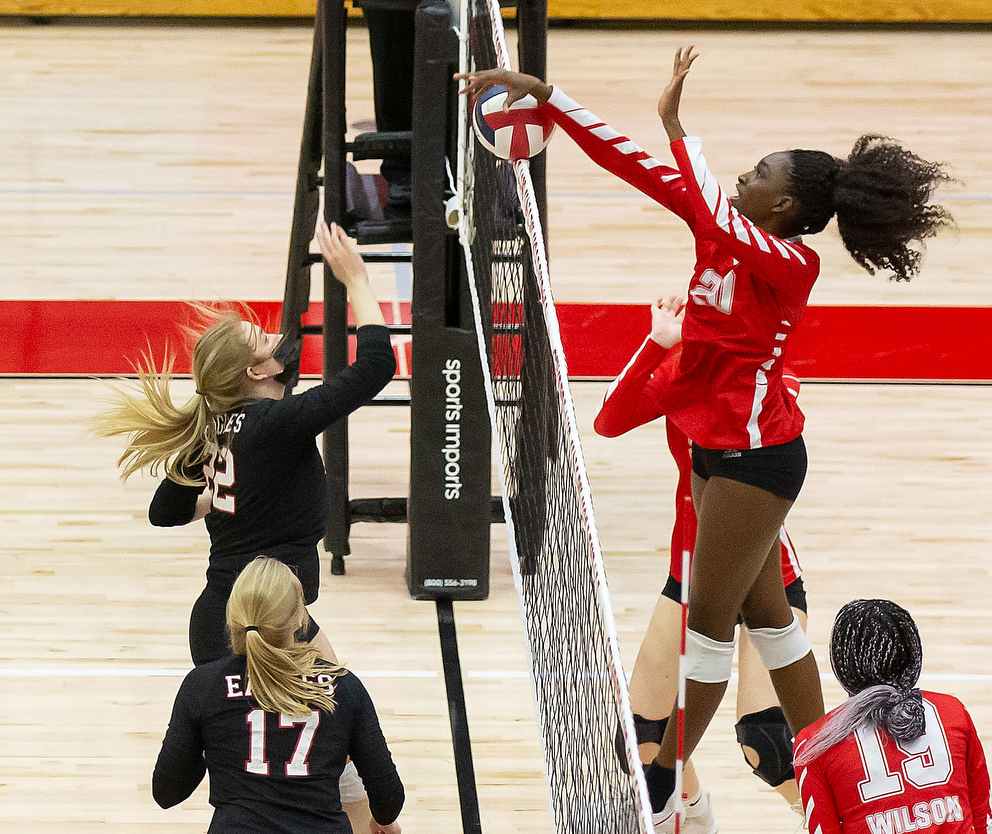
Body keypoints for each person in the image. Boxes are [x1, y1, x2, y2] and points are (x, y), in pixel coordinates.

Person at [457, 46, 952, 831]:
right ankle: (825, 749)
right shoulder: (724, 235)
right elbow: (644, 174)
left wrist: (676, 125)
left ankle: (667, 771)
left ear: (785, 205)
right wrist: (551, 98)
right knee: (771, 623)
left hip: (760, 459)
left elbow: (708, 203)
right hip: (718, 456)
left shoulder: (789, 263)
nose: (744, 178)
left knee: (711, 626)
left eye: (759, 172)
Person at [97, 219, 395, 667]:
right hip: (256, 626)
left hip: (257, 615)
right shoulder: (276, 423)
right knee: (330, 720)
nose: (278, 338)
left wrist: (220, 499)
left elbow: (165, 511)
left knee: (339, 711)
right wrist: (356, 279)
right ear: (257, 372)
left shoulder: (215, 425)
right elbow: (376, 365)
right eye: (264, 341)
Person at [596, 297, 808, 834]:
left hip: (763, 572)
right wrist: (658, 343)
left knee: (769, 747)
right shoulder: (678, 367)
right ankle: (696, 821)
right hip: (688, 572)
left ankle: (845, 818)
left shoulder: (764, 379)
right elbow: (608, 420)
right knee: (644, 742)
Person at [152, 556, 404, 834]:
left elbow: (166, 793)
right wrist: (381, 821)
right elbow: (388, 796)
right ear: (300, 619)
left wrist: (208, 745)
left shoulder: (203, 686)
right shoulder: (343, 687)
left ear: (233, 616)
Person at [794, 599, 990, 834]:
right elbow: (983, 817)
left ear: (841, 664)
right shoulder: (953, 711)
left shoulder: (814, 743)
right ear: (913, 656)